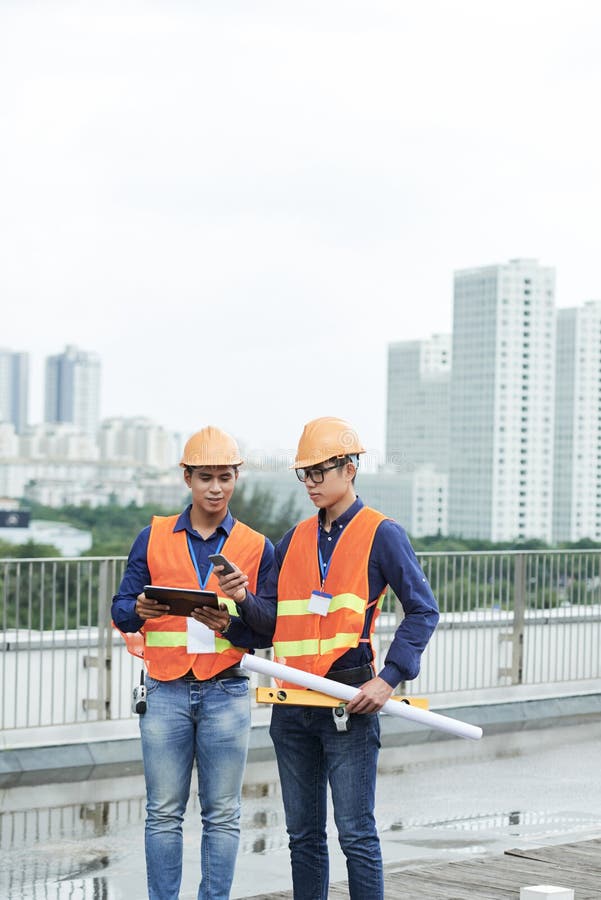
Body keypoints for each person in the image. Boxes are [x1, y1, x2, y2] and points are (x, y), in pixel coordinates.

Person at [218, 416, 440, 900]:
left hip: (349, 700)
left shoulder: (382, 533)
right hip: (293, 704)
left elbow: (424, 610)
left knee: (356, 834)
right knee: (303, 837)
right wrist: (238, 604)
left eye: (319, 472)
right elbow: (270, 624)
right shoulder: (292, 540)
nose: (311, 483)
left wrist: (388, 679)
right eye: (306, 473)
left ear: (350, 468)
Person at [111, 425, 274, 900]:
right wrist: (138, 609)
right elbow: (121, 609)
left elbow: (267, 629)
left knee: (222, 814)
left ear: (237, 477)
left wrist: (236, 614)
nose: (216, 488)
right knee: (163, 812)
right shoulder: (153, 537)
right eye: (205, 477)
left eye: (225, 477)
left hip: (226, 689)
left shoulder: (257, 546)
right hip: (165, 689)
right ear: (187, 477)